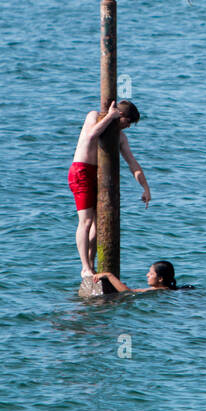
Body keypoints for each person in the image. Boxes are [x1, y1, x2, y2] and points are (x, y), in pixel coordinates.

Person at [68, 100, 149, 279]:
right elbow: (91, 136)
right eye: (127, 122)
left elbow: (132, 163)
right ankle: (85, 267)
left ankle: (91, 263)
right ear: (120, 116)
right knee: (86, 221)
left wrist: (145, 187)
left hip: (99, 175)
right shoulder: (94, 116)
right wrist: (110, 117)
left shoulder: (120, 137)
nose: (127, 127)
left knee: (99, 224)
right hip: (81, 170)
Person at [87, 260, 184, 297]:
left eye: (151, 273)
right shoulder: (168, 289)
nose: (147, 275)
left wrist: (109, 275)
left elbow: (128, 292)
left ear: (160, 279)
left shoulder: (158, 291)